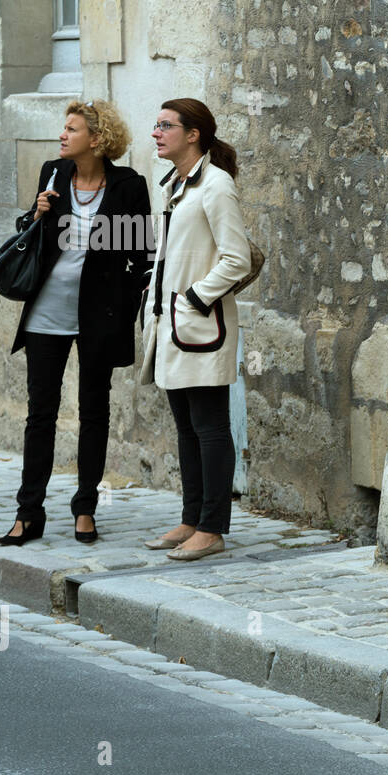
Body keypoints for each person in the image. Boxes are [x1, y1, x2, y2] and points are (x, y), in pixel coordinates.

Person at [0, 100, 152, 546]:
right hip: (47, 312)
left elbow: (139, 252)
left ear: (97, 139)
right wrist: (38, 214)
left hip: (98, 318)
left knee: (94, 412)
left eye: (72, 129)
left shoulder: (127, 185)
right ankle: (28, 513)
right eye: (63, 129)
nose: (62, 136)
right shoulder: (53, 173)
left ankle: (85, 507)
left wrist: (128, 307)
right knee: (40, 414)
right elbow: (29, 235)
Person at [140, 98, 252, 561]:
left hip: (200, 325)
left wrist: (194, 298)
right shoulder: (176, 183)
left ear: (193, 134)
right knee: (186, 427)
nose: (156, 133)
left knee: (210, 426)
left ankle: (213, 527)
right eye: (156, 124)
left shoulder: (216, 185)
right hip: (171, 323)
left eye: (166, 125)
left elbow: (237, 258)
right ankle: (191, 519)